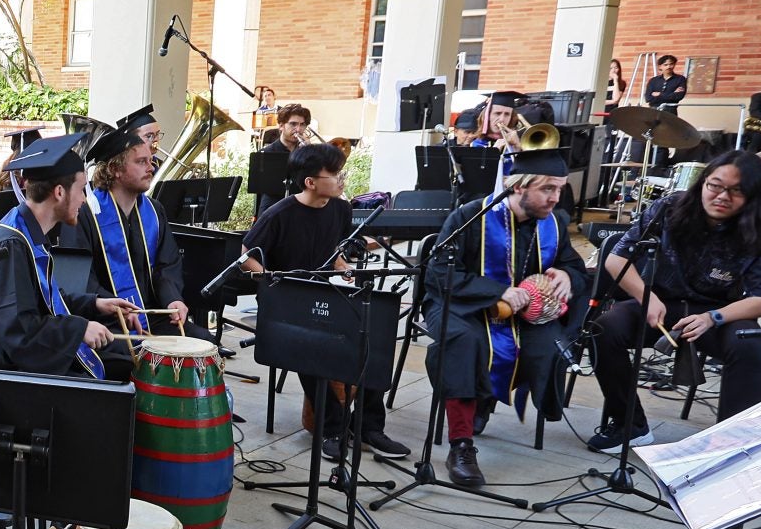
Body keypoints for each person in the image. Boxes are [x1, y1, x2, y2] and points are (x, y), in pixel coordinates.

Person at [588, 151, 761, 451]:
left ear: (753, 196)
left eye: (736, 191)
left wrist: (711, 318)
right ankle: (630, 425)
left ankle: (733, 443)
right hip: (660, 302)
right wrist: (646, 297)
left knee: (749, 347)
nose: (722, 196)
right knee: (604, 329)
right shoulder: (668, 208)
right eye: (715, 185)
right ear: (703, 182)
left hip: (719, 313)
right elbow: (617, 260)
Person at [423, 150, 587, 487]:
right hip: (461, 303)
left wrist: (568, 275)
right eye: (547, 189)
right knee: (465, 343)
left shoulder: (555, 222)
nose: (556, 198)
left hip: (523, 312)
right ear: (519, 187)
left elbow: (573, 264)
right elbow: (438, 274)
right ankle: (461, 444)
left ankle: (483, 397)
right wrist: (497, 291)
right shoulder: (472, 216)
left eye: (560, 189)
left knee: (549, 346)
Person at [240, 142, 410, 460]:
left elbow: (333, 250)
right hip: (287, 300)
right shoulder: (279, 213)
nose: (341, 179)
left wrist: (342, 267)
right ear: (310, 182)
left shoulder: (340, 209)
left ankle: (369, 427)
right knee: (315, 346)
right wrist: (271, 280)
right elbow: (246, 256)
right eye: (334, 174)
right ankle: (332, 428)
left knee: (373, 338)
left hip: (323, 292)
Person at [0, 132, 126, 377]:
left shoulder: (29, 233)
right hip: (9, 379)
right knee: (122, 377)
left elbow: (44, 301)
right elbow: (18, 332)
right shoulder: (10, 246)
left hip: (28, 365)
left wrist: (94, 304)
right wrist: (78, 329)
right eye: (82, 189)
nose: (84, 200)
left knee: (125, 358)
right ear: (59, 192)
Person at [78, 123, 194, 346]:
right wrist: (113, 305)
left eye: (151, 161)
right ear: (115, 169)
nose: (151, 168)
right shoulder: (87, 214)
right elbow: (82, 278)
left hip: (152, 314)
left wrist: (172, 300)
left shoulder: (154, 211)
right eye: (141, 162)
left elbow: (166, 265)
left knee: (201, 342)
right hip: (107, 320)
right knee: (131, 356)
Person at [253, 104, 310, 216]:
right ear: (281, 126)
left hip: (302, 207)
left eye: (302, 124)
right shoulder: (266, 153)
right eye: (293, 124)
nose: (298, 129)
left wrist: (310, 153)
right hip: (272, 207)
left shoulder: (308, 153)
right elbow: (261, 189)